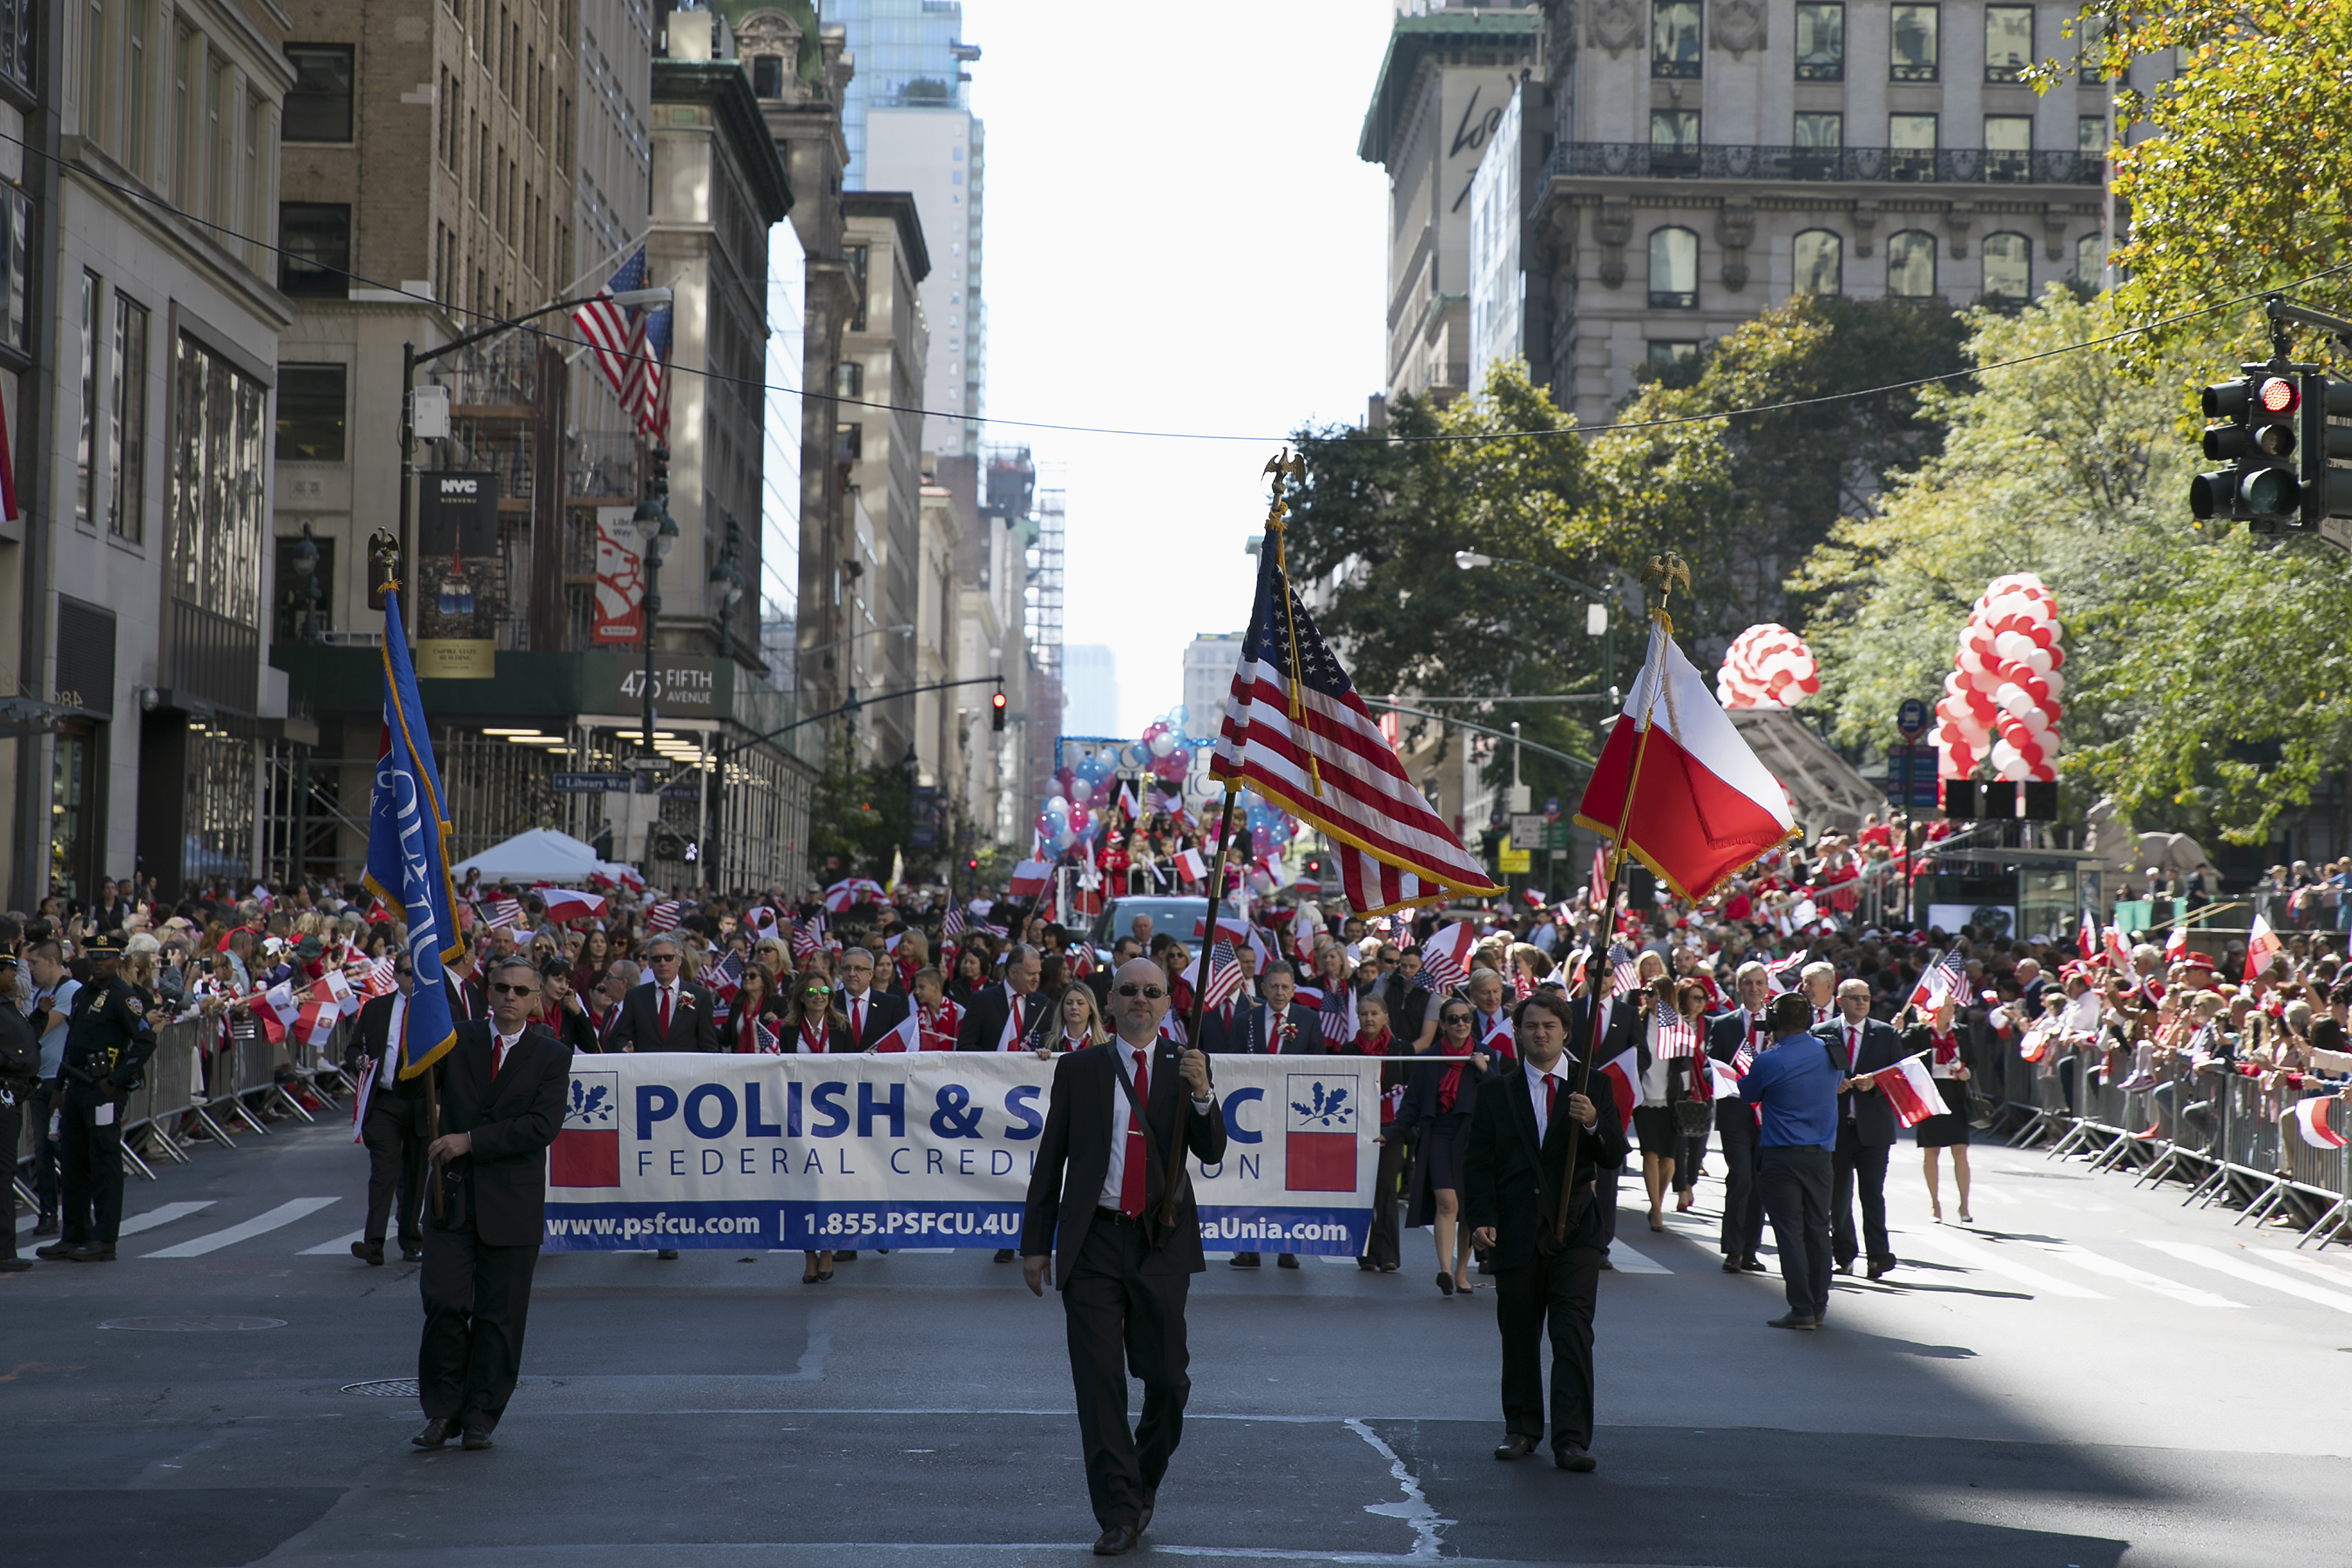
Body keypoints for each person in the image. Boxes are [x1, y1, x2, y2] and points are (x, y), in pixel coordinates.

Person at [1020, 957, 1226, 1557]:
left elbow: (1211, 1151)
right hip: (1093, 1242)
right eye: (1129, 990)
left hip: (1160, 1242)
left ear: (1167, 1003)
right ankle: (1117, 1511)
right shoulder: (1079, 1069)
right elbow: (1051, 1158)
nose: (1140, 999)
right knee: (1099, 1382)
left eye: (1152, 991)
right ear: (1108, 1002)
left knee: (1168, 1382)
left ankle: (1141, 1481)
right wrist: (1035, 1244)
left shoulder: (1187, 1065)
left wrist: (1204, 1093)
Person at [410, 956, 570, 1450]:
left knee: (500, 1316)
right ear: (488, 992)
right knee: (444, 1303)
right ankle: (442, 1411)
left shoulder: (551, 1055)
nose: (509, 998)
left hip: (512, 1202)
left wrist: (471, 1140)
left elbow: (542, 1127)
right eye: (501, 988)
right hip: (452, 1197)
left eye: (520, 991)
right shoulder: (455, 1040)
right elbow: (417, 1088)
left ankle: (481, 1415)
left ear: (536, 999)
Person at [1465, 990, 1624, 1472]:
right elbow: (1479, 1162)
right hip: (1515, 1231)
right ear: (1518, 1032)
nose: (1540, 1033)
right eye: (1531, 1025)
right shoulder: (1496, 1092)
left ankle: (1571, 1439)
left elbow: (1613, 1155)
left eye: (1550, 1026)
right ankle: (1521, 1428)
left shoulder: (1592, 1086)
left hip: (1575, 1231)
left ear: (1565, 1033)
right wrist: (1481, 1218)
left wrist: (1593, 1122)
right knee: (1518, 1335)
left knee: (1572, 1335)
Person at [33, 933, 157, 1263]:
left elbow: (145, 1041)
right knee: (73, 1161)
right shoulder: (82, 994)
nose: (98, 962)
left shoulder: (123, 996)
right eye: (94, 956)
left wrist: (116, 1079)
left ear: (117, 959)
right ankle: (74, 1235)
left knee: (104, 1161)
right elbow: (72, 1043)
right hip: (76, 1086)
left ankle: (104, 1239)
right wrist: (58, 1088)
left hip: (103, 1090)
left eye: (105, 957)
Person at [1740, 992, 1842, 1329]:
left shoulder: (1769, 1060)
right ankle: (1818, 1304)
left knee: (1789, 1233)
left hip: (1781, 1157)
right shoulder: (1829, 1051)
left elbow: (1747, 1093)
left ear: (1774, 1022)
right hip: (1821, 1157)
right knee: (1818, 1229)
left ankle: (1802, 1309)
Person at [1400, 998, 1491, 1294]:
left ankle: (1461, 1272)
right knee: (1447, 1202)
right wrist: (1392, 1132)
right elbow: (1411, 1104)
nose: (1461, 1024)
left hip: (1472, 1139)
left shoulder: (1486, 1055)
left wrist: (1485, 1071)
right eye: (1453, 1019)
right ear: (1442, 1024)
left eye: (1466, 1018)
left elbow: (1501, 1098)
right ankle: (1444, 1270)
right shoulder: (1429, 1059)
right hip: (1439, 1134)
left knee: (1467, 1208)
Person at [347, 955, 429, 1266]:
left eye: (418, 972)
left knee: (416, 1174)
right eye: (408, 973)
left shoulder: (435, 1009)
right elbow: (354, 1047)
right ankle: (374, 1242)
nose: (413, 978)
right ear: (396, 976)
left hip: (420, 1102)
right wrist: (358, 1060)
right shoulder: (376, 1009)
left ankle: (411, 1240)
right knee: (384, 1172)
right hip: (384, 1101)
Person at [1818, 977, 1903, 1281]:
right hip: (1837, 1128)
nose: (1861, 1003)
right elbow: (1812, 1075)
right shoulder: (1822, 1032)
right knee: (1837, 1197)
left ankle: (1878, 1256)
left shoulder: (1885, 1033)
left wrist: (1875, 1082)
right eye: (1854, 998)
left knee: (1872, 1195)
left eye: (1866, 998)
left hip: (1873, 1128)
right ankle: (1843, 1255)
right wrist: (1831, 1084)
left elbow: (1899, 1075)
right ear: (1840, 1001)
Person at [1705, 962, 1774, 1274]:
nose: (1754, 988)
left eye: (1759, 983)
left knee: (1759, 1182)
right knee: (1741, 1178)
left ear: (1767, 987)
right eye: (1748, 982)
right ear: (1738, 987)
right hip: (1735, 1113)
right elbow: (1708, 1066)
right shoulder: (1724, 1024)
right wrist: (1724, 1077)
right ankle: (1732, 1249)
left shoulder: (1777, 1023)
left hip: (1768, 1115)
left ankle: (1750, 1249)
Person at [21, 937, 78, 1237]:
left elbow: (41, 1027)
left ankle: (75, 1214)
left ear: (52, 961)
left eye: (34, 963)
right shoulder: (39, 994)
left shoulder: (69, 990)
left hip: (62, 1080)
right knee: (42, 1150)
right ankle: (47, 1213)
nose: (31, 969)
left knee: (65, 1148)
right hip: (40, 1079)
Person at [1903, 996, 1973, 1223]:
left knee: (1960, 1149)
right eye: (1946, 1006)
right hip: (1929, 1096)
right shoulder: (1919, 1031)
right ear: (1934, 1009)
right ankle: (1935, 1204)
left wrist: (1965, 1072)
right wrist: (1897, 1029)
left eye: (1953, 1005)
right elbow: (1898, 1047)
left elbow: (1973, 1061)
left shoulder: (1961, 1031)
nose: (1951, 1010)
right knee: (1931, 1151)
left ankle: (1964, 1204)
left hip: (1955, 1095)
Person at [1351, 993, 1408, 1273]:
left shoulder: (1401, 1049)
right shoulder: (1348, 1051)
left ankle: (1388, 1253)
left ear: (1385, 1017)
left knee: (1386, 1187)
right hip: (1358, 1129)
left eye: (1374, 1013)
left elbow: (1412, 1089)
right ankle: (1366, 1253)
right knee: (1363, 1191)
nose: (1369, 1018)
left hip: (1391, 1129)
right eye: (1364, 1014)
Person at [606, 935, 719, 1054]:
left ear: (679, 961)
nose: (663, 963)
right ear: (650, 963)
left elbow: (709, 1044)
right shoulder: (634, 996)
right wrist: (624, 1048)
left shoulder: (700, 996)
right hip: (647, 1064)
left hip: (684, 1065)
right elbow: (622, 1038)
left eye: (668, 958)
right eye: (657, 958)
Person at [958, 943, 1044, 1051]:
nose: (1036, 979)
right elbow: (965, 1045)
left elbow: (1050, 1044)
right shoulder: (981, 1001)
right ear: (1013, 973)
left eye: (1038, 973)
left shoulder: (1043, 1004)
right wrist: (996, 1059)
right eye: (1031, 974)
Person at [837, 947, 911, 1051]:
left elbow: (900, 1043)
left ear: (870, 974)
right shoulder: (830, 1002)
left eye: (858, 969)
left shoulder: (890, 1004)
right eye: (847, 968)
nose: (851, 974)